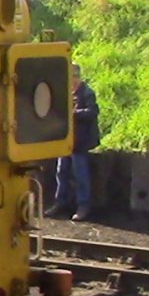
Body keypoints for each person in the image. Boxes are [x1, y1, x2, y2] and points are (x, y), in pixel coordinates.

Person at [48, 63, 100, 220]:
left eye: (75, 77)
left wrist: (73, 113)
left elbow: (92, 112)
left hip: (79, 142)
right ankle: (60, 202)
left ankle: (83, 205)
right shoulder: (64, 92)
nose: (73, 81)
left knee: (80, 175)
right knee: (61, 172)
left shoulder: (87, 93)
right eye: (71, 78)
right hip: (65, 140)